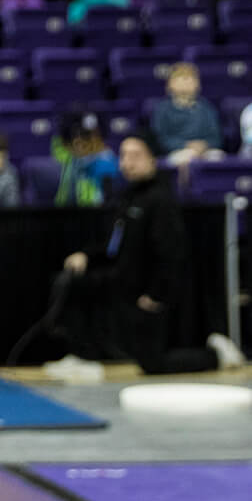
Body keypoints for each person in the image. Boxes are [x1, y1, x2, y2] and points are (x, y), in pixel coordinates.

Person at [55, 135, 244, 376]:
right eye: (124, 156)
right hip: (120, 284)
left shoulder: (161, 200)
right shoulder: (127, 196)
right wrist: (86, 255)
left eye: (136, 156)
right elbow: (113, 243)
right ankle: (79, 356)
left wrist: (156, 294)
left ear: (152, 159)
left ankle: (216, 355)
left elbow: (171, 254)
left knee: (154, 364)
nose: (128, 163)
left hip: (148, 294)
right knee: (73, 283)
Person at [149, 63, 225, 168]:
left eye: (190, 78)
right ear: (170, 84)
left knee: (218, 157)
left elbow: (216, 137)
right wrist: (185, 145)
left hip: (206, 151)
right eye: (180, 78)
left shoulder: (207, 108)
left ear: (198, 84)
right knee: (186, 157)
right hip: (175, 152)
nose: (185, 82)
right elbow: (160, 139)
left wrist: (204, 145)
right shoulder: (162, 110)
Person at [52, 110, 120, 209]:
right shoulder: (71, 162)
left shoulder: (108, 165)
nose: (80, 141)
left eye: (86, 136)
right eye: (76, 136)